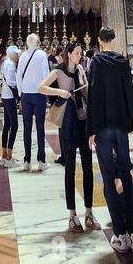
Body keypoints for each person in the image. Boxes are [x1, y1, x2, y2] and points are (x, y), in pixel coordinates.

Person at [87, 26, 133, 254]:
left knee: (109, 179)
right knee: (126, 177)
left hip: (103, 128)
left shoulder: (96, 62)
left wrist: (91, 129)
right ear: (114, 39)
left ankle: (119, 234)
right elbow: (129, 94)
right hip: (120, 127)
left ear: (100, 41)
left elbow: (94, 95)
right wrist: (132, 123)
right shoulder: (122, 61)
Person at [39, 41, 97, 233]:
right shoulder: (58, 71)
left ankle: (89, 212)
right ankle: (72, 214)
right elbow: (41, 87)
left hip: (84, 123)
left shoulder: (81, 68)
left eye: (81, 53)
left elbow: (88, 92)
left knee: (88, 168)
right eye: (78, 53)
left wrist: (86, 81)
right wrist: (61, 92)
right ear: (69, 54)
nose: (80, 56)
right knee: (70, 170)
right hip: (68, 125)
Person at [16, 32, 50, 172]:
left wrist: (20, 93)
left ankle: (27, 161)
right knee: (40, 127)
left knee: (27, 128)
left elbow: (18, 75)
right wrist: (46, 92)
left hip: (26, 95)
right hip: (39, 94)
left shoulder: (23, 55)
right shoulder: (41, 55)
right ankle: (41, 160)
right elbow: (45, 75)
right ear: (37, 43)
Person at [0, 44, 20, 166]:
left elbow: (1, 79)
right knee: (14, 125)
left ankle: (4, 154)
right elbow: (11, 81)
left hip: (4, 96)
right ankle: (9, 156)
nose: (17, 56)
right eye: (16, 54)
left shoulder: (4, 63)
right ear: (12, 54)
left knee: (7, 125)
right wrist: (18, 83)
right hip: (10, 97)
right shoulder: (10, 64)